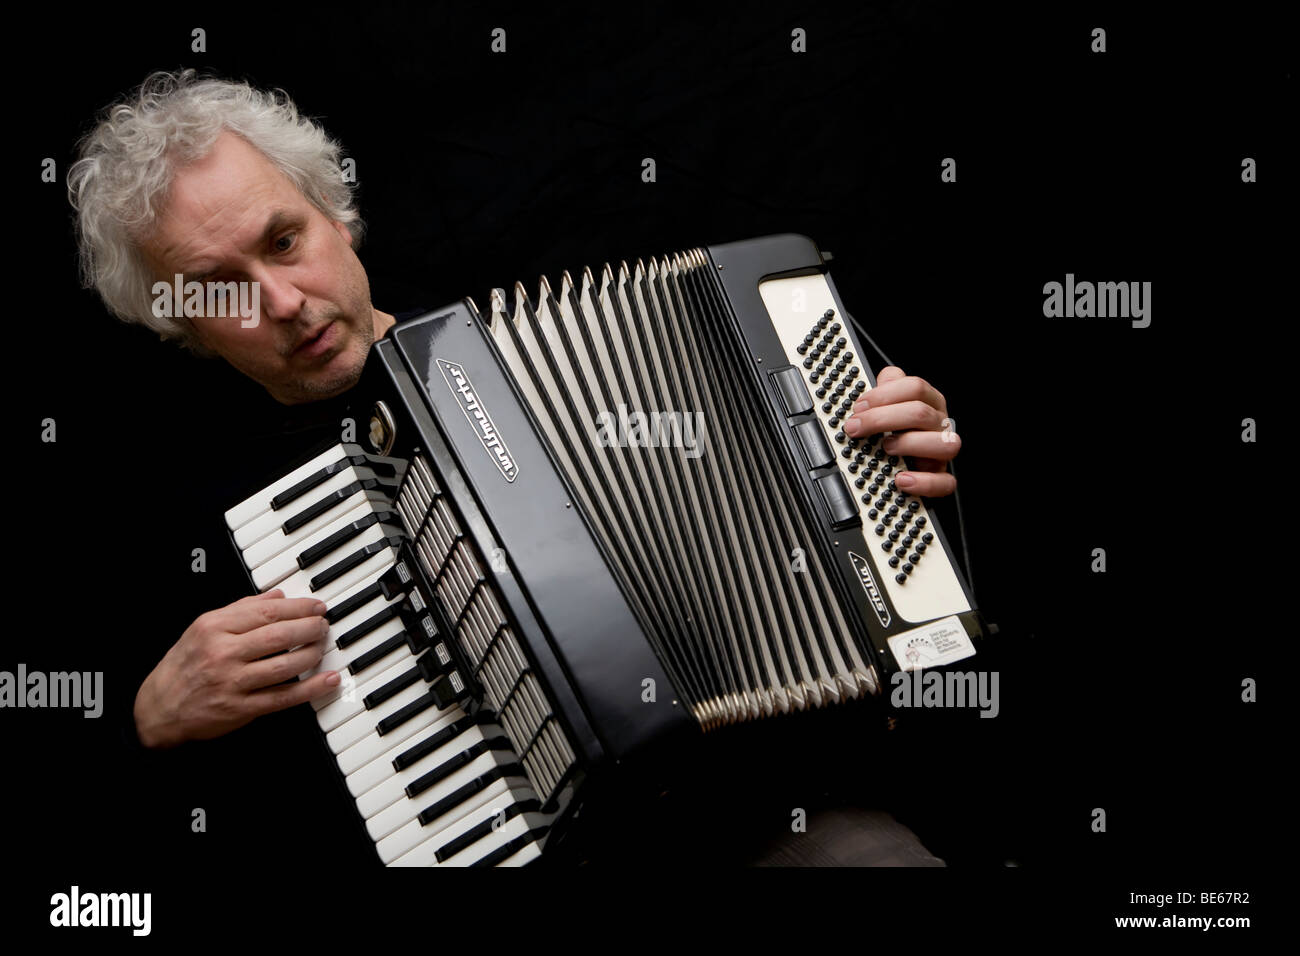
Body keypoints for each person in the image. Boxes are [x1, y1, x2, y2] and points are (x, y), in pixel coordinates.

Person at [67, 70, 965, 866]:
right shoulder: (181, 523)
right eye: (218, 287)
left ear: (335, 214)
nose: (282, 301)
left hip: (763, 821)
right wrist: (147, 725)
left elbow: (885, 622)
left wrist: (886, 472)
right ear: (177, 322)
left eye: (284, 240)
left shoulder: (567, 347)